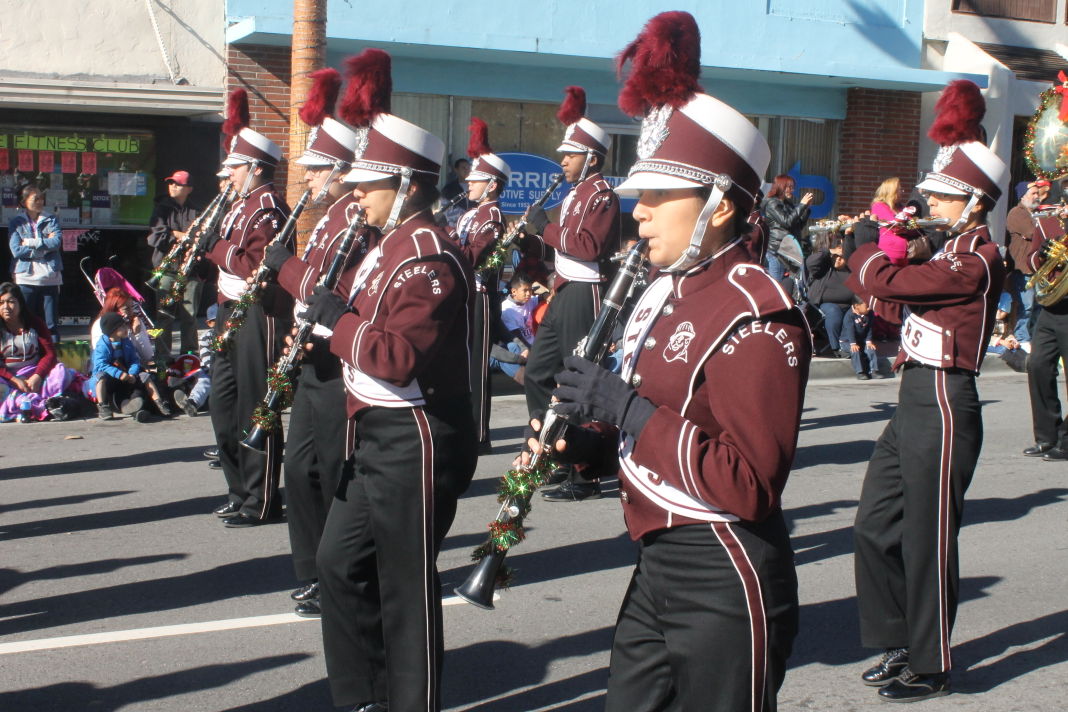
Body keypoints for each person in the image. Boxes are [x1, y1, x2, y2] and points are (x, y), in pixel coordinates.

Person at [528, 13, 809, 710]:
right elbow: (657, 422)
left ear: (718, 206)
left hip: (724, 568)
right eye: (640, 197)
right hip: (656, 556)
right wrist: (587, 443)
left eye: (658, 196)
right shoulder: (665, 290)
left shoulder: (755, 310)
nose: (640, 213)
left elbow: (748, 484)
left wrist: (625, 409)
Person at [297, 48, 476, 712]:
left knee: (405, 587)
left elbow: (396, 355)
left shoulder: (431, 256)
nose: (356, 193)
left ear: (406, 186)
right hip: (372, 429)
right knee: (338, 563)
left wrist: (334, 323)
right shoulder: (385, 247)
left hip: (416, 435)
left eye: (370, 184)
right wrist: (321, 321)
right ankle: (363, 695)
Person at [847, 79, 1007, 702]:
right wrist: (883, 263)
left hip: (944, 397)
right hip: (914, 392)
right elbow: (894, 299)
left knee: (928, 536)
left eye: (942, 195)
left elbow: (890, 282)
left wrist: (866, 250)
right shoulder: (942, 248)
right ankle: (898, 639)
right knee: (874, 524)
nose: (930, 203)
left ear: (973, 202)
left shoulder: (978, 256)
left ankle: (931, 662)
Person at [260, 67, 370, 618]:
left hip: (333, 354)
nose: (308, 178)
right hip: (309, 352)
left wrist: (285, 269)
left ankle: (336, 576)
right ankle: (311, 569)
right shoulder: (328, 218)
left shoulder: (356, 219)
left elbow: (337, 290)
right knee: (299, 468)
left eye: (317, 168)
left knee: (330, 468)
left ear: (342, 170)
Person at [517, 84, 622, 502]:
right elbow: (560, 246)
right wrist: (529, 240)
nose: (563, 161)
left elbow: (588, 247)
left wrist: (544, 226)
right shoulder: (574, 194)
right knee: (537, 373)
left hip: (585, 291)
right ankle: (556, 453)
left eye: (570, 155)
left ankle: (584, 473)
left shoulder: (603, 196)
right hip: (562, 290)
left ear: (591, 158)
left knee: (577, 382)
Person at [203, 89, 292, 528]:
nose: (230, 175)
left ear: (256, 168)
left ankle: (261, 500)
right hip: (228, 310)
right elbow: (225, 262)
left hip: (258, 313)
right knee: (223, 407)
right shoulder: (239, 207)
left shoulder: (270, 210)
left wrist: (215, 248)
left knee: (254, 405)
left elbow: (256, 267)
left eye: (236, 168)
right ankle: (238, 490)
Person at [448, 118, 509, 454]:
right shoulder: (469, 214)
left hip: (481, 296)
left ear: (492, 185)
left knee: (476, 368)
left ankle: (479, 434)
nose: (469, 183)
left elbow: (472, 255)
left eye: (477, 179)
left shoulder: (493, 217)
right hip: (463, 294)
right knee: (459, 362)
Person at [1022, 194, 1068, 460]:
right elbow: (1029, 261)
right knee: (1037, 365)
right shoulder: (1048, 223)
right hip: (1051, 307)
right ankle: (1046, 436)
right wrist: (1042, 254)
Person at [0, 282, 80, 422]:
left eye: (11, 302)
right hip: (8, 378)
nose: (6, 307)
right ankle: (32, 405)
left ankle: (36, 404)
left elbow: (50, 354)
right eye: (1, 303)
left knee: (61, 372)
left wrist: (37, 376)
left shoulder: (35, 323)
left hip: (35, 375)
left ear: (20, 303)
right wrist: (14, 380)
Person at [90, 286, 171, 415]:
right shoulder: (102, 327)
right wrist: (120, 374)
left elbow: (147, 355)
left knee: (152, 377)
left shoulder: (133, 323)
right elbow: (101, 362)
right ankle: (109, 406)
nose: (131, 311)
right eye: (126, 308)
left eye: (131, 307)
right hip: (112, 374)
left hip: (130, 371)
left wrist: (137, 333)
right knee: (112, 385)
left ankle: (159, 404)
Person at [147, 170, 201, 356]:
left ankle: (189, 357)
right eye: (171, 183)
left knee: (190, 316)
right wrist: (179, 235)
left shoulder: (197, 210)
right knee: (164, 315)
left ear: (189, 188)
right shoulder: (161, 208)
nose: (172, 186)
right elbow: (156, 236)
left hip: (191, 269)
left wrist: (175, 233)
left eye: (178, 184)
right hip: (166, 269)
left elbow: (200, 236)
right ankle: (162, 357)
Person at [8, 184, 63, 340]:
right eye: (35, 198)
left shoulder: (51, 219)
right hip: (25, 277)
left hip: (49, 276)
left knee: (51, 324)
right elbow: (16, 250)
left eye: (41, 198)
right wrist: (44, 247)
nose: (40, 201)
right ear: (24, 202)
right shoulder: (16, 222)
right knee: (26, 319)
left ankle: (53, 351)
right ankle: (28, 349)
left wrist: (30, 242)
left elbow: (56, 243)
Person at [1005, 179, 1049, 349]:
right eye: (1033, 193)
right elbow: (1033, 233)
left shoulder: (1038, 214)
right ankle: (1022, 338)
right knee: (1026, 306)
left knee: (1039, 305)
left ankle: (1035, 337)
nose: (1037, 196)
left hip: (1040, 267)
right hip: (1023, 267)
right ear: (1023, 196)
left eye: (1038, 193)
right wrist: (1041, 228)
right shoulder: (1016, 213)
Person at [89, 312, 152, 422]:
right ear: (113, 330)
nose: (126, 328)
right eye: (122, 326)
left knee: (141, 379)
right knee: (101, 377)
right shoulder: (102, 345)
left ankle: (142, 408)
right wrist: (119, 374)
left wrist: (132, 373)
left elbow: (134, 359)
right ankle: (103, 406)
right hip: (110, 379)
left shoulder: (126, 342)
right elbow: (101, 365)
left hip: (125, 377)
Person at [806, 234, 854, 357]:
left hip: (849, 305)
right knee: (834, 311)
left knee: (855, 312)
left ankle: (846, 345)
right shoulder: (824, 268)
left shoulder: (851, 270)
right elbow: (810, 262)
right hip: (824, 305)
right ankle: (836, 347)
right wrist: (829, 251)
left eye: (841, 257)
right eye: (835, 257)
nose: (837, 259)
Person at [761, 174, 813, 283]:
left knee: (792, 283)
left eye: (793, 187)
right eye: (790, 187)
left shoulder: (787, 204)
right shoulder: (772, 203)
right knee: (777, 283)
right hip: (778, 250)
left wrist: (806, 209)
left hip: (789, 250)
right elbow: (787, 222)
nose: (792, 190)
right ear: (781, 187)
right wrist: (801, 205)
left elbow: (798, 225)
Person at [491, 272, 538, 381]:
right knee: (514, 347)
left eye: (530, 290)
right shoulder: (507, 309)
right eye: (525, 290)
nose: (528, 294)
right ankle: (528, 379)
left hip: (531, 346)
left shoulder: (530, 300)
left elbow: (545, 295)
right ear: (514, 292)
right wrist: (529, 351)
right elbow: (514, 336)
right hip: (521, 345)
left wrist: (544, 294)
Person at [173, 303, 218, 417]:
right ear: (209, 323)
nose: (219, 323)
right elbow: (205, 356)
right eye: (215, 320)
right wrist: (214, 369)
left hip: (228, 370)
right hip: (210, 369)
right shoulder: (206, 338)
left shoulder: (231, 335)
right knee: (204, 380)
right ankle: (192, 403)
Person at [841, 297, 882, 379]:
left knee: (871, 349)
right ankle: (860, 372)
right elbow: (850, 331)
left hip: (862, 340)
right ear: (857, 306)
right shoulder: (849, 315)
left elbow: (869, 328)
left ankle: (874, 370)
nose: (869, 308)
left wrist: (869, 341)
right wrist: (853, 343)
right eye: (867, 306)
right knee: (855, 351)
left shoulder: (870, 314)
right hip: (848, 341)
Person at [440, 157, 473, 227]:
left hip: (474, 225)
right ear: (456, 170)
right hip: (455, 226)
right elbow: (446, 209)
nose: (466, 170)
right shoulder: (448, 189)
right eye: (463, 168)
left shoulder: (475, 186)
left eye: (468, 168)